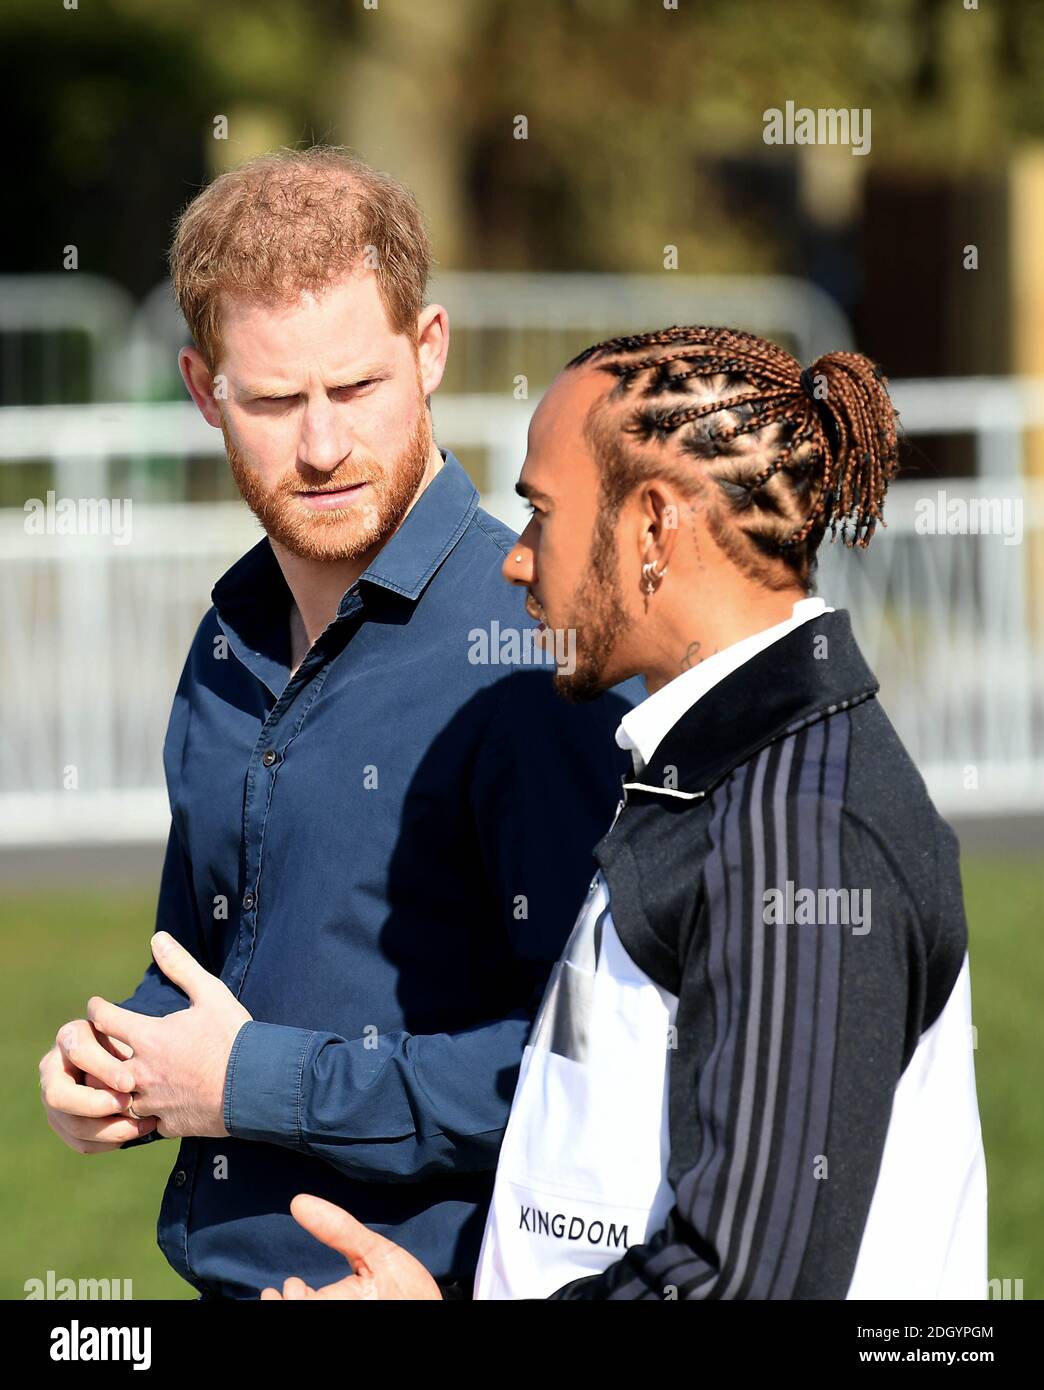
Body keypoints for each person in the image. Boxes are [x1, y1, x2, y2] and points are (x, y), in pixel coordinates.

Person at [259, 324, 988, 1300]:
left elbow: (741, 1282)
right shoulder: (716, 772)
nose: (517, 561)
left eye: (541, 514)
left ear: (652, 528)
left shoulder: (802, 832)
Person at [37, 148, 638, 1299]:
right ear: (204, 390)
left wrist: (250, 1083)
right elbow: (218, 958)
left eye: (355, 388)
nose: (320, 447)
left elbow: (595, 1062)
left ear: (430, 350)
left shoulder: (539, 652)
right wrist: (122, 1056)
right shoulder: (227, 639)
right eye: (273, 400)